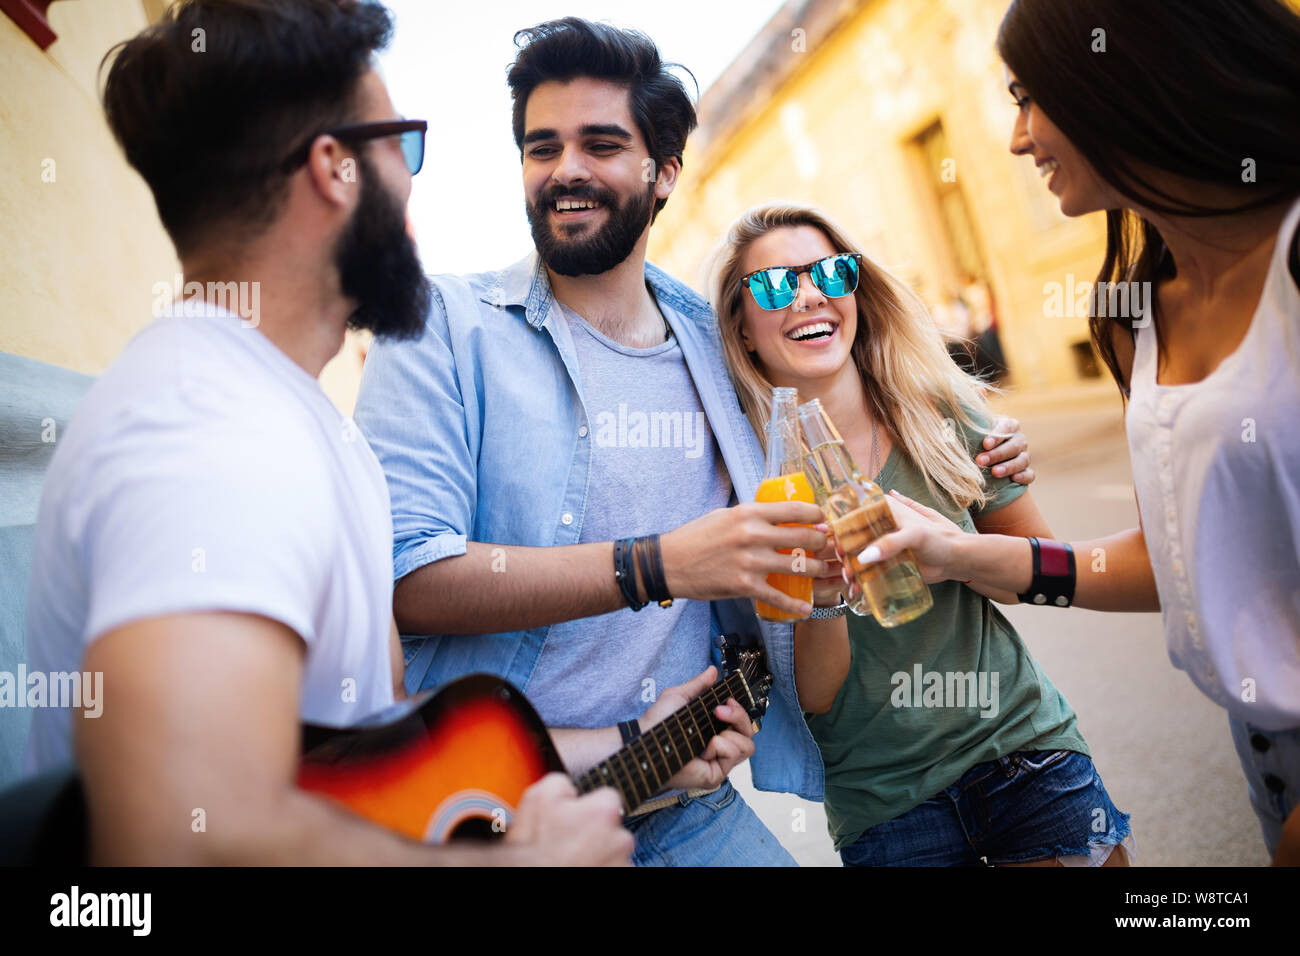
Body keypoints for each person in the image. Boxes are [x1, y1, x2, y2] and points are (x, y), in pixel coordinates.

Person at [21, 0, 724, 866]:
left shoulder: (301, 420)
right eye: (402, 146)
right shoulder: (201, 427)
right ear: (335, 170)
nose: (412, 182)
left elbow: (375, 760)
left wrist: (634, 735)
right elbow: (175, 830)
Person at [352, 17, 1035, 866]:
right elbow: (405, 577)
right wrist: (662, 562)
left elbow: (847, 370)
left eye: (601, 143)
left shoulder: (722, 348)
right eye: (541, 147)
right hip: (495, 815)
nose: (566, 169)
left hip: (683, 802)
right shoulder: (439, 327)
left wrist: (976, 438)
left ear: (664, 170)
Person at [858, 0, 1300, 865]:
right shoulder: (1137, 311)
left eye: (1028, 98)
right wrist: (952, 552)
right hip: (1266, 763)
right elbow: (1169, 560)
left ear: (1121, 76)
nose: (1017, 138)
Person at [709, 202, 1133, 866]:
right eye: (774, 283)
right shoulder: (742, 482)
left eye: (830, 272)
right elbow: (815, 699)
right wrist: (823, 596)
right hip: (886, 808)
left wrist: (954, 554)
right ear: (741, 320)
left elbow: (1042, 572)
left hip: (1024, 752)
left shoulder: (938, 410)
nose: (811, 295)